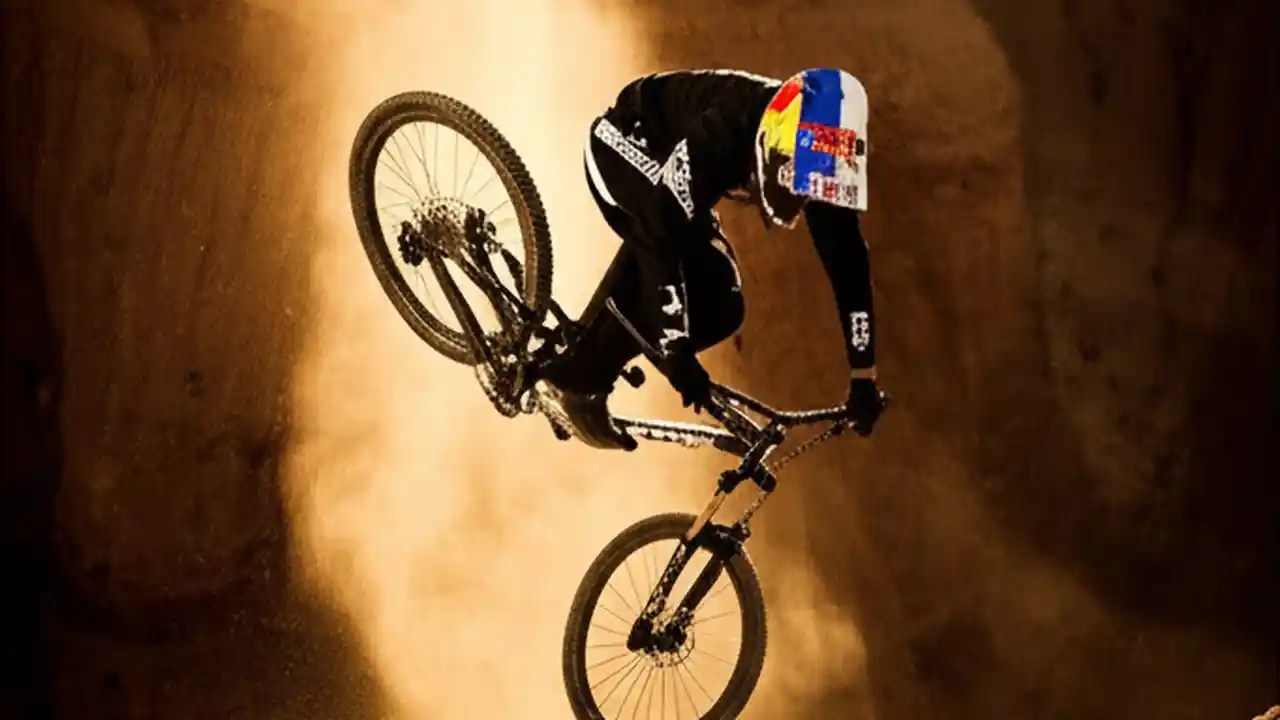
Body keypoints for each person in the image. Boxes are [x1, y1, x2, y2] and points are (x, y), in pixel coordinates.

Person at [537, 67, 885, 450]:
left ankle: (585, 361)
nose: (801, 194)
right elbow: (660, 228)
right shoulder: (725, 130)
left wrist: (863, 372)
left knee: (723, 304)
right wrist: (676, 347)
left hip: (675, 184)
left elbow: (848, 263)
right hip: (622, 143)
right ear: (776, 142)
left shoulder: (818, 159)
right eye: (793, 177)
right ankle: (577, 377)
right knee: (675, 249)